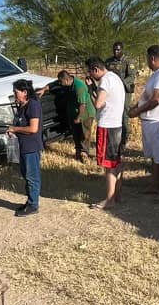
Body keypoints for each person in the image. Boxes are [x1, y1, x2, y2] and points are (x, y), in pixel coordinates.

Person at [128, 45, 159, 201]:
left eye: (148, 58)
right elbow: (147, 97)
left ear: (153, 58)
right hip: (149, 121)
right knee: (155, 156)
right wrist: (136, 108)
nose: (147, 62)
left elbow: (156, 100)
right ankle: (155, 184)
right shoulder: (156, 74)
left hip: (157, 121)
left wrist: (137, 111)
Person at [85, 56, 125, 209]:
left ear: (96, 69)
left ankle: (110, 199)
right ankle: (117, 195)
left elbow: (98, 103)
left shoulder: (106, 80)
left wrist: (91, 89)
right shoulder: (114, 77)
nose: (90, 75)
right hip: (116, 125)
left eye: (90, 71)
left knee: (109, 165)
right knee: (116, 162)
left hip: (107, 126)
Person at [7, 79, 43, 217]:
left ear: (25, 92)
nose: (14, 94)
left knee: (32, 176)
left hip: (31, 147)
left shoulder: (33, 106)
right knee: (26, 175)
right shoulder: (22, 106)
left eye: (16, 92)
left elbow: (33, 128)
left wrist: (15, 129)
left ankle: (33, 204)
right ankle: (30, 201)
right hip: (22, 146)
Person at [57, 69, 96, 161]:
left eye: (61, 81)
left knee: (84, 134)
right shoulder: (69, 84)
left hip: (85, 114)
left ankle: (85, 154)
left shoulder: (79, 87)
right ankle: (78, 153)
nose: (60, 83)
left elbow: (83, 105)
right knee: (76, 134)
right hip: (74, 112)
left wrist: (79, 117)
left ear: (66, 80)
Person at [105, 42, 136, 147]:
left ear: (122, 50)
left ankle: (124, 140)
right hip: (111, 92)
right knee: (110, 113)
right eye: (114, 50)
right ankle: (112, 138)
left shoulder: (128, 61)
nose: (116, 52)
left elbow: (131, 77)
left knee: (123, 115)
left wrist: (120, 83)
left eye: (118, 50)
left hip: (124, 91)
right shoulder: (109, 62)